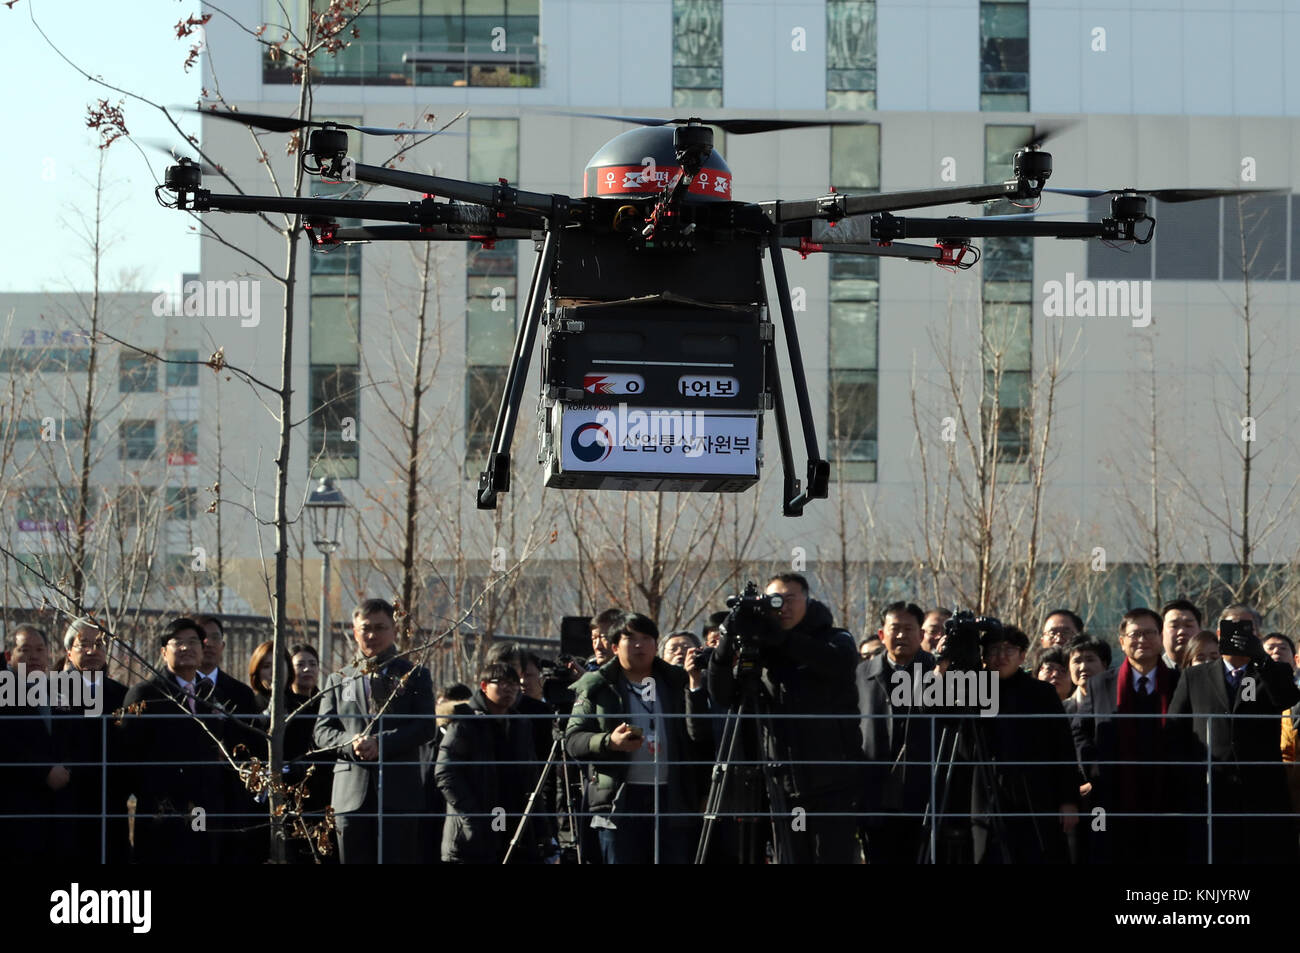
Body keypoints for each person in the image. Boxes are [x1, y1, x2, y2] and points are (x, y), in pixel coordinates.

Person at [707, 574, 862, 864]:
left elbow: (836, 664)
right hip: (781, 781)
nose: (783, 608)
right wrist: (727, 643)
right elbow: (724, 694)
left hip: (833, 781)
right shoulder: (761, 649)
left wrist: (781, 639)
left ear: (809, 599)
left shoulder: (834, 638)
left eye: (790, 599)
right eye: (774, 601)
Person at [566, 611, 708, 864]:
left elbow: (699, 736)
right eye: (630, 639)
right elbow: (573, 740)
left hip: (672, 798)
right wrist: (609, 741)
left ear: (656, 644)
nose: (639, 645)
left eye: (646, 638)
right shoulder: (595, 686)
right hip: (618, 801)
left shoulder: (677, 682)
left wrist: (695, 686)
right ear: (614, 646)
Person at [1168, 603, 1300, 863]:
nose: (1240, 635)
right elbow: (1175, 729)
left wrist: (1260, 658)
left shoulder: (1272, 672)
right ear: (1219, 633)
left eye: (1248, 629)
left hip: (1262, 792)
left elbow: (1287, 698)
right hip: (1210, 789)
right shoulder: (1195, 676)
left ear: (1258, 635)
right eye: (1232, 628)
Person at [313, 598, 436, 864]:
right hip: (350, 796)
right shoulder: (339, 678)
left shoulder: (415, 675)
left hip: (399, 792)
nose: (372, 635)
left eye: (380, 627)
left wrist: (382, 743)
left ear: (394, 629)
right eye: (365, 628)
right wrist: (351, 742)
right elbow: (322, 731)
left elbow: (426, 726)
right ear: (354, 630)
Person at [1070, 608, 1184, 865]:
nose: (1142, 639)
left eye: (1149, 633)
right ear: (1122, 642)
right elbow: (1080, 730)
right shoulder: (1100, 684)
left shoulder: (1180, 681)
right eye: (1135, 634)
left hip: (1167, 791)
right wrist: (1094, 770)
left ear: (1161, 637)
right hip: (1113, 792)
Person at [119, 618, 232, 863]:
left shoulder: (211, 694)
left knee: (202, 854)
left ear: (202, 650)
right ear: (163, 652)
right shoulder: (144, 695)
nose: (185, 648)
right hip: (162, 809)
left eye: (193, 642)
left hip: (203, 806)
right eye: (177, 642)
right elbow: (127, 755)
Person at [970, 624, 1078, 864]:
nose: (1000, 656)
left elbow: (1062, 746)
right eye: (993, 650)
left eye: (1008, 649)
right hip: (987, 791)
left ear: (1022, 655)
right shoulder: (972, 691)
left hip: (1035, 792)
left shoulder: (1041, 693)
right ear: (984, 656)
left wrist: (1068, 800)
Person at [436, 660, 543, 863]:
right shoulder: (465, 722)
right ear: (484, 686)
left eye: (513, 684)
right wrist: (472, 817)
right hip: (474, 830)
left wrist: (542, 831)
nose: (509, 689)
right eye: (501, 683)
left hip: (508, 820)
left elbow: (531, 776)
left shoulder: (520, 724)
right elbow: (445, 773)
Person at [856, 601, 938, 864]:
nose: (901, 635)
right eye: (894, 628)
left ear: (922, 635)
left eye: (909, 628)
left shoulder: (938, 673)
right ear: (882, 634)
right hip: (874, 789)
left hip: (926, 792)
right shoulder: (861, 674)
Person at [59, 618, 129, 863]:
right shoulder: (51, 692)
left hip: (111, 801)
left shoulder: (123, 695)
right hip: (65, 803)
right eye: (83, 644)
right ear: (68, 651)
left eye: (99, 644)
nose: (92, 651)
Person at [1063, 634, 1110, 712]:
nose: (1083, 667)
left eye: (1090, 660)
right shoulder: (1062, 710)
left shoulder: (1118, 703)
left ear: (1104, 664)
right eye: (1077, 661)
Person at [247, 640, 292, 712]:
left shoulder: (303, 705)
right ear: (257, 672)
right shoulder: (248, 706)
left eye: (279, 665)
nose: (274, 672)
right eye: (266, 666)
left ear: (289, 668)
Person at [1159, 599, 1202, 669]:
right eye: (1174, 626)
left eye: (1188, 625)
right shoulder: (1152, 672)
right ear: (1161, 633)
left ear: (1200, 631)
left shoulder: (1213, 670)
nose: (1182, 631)